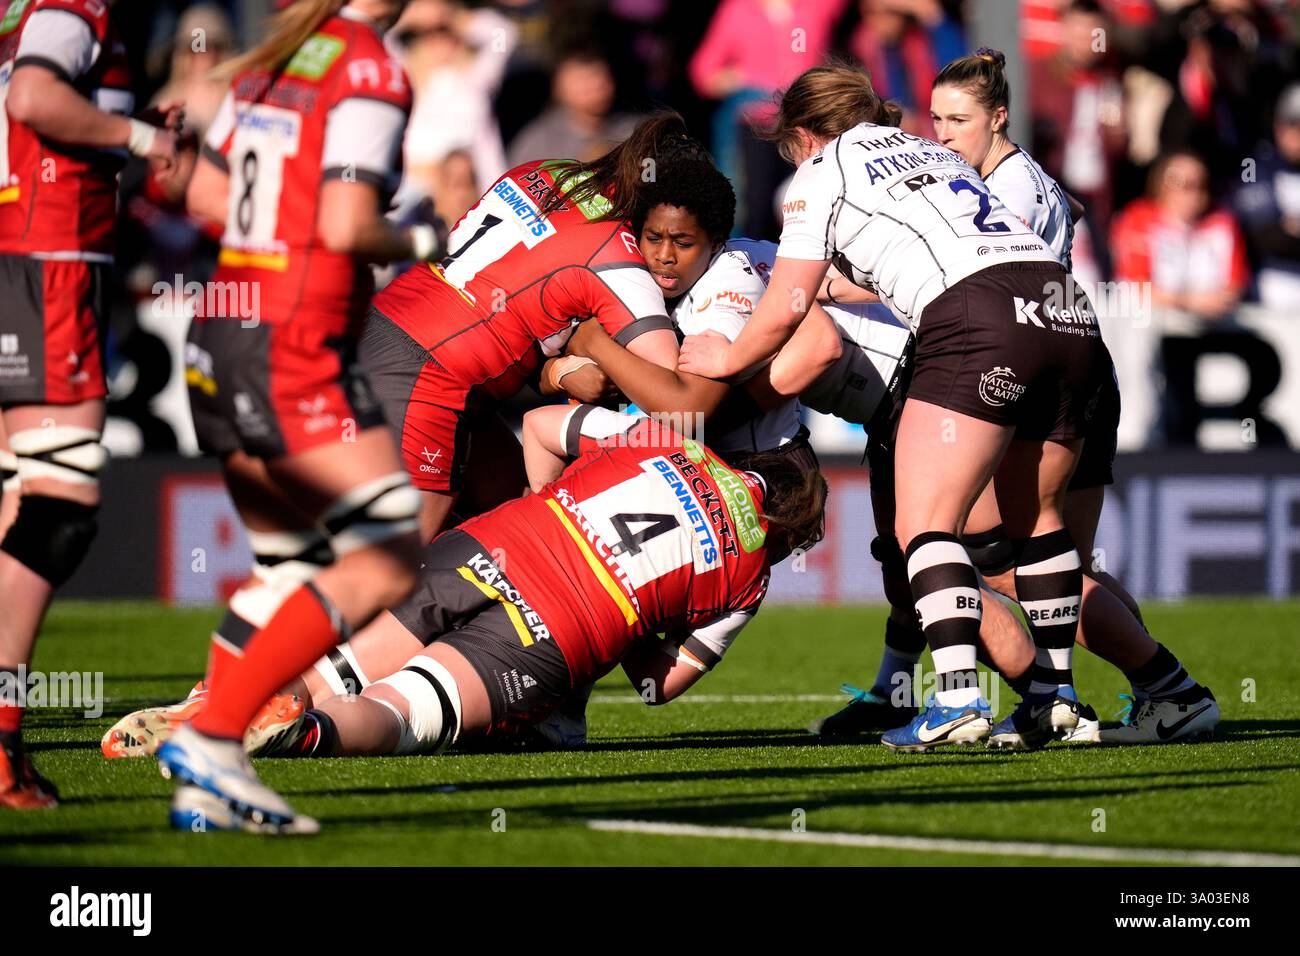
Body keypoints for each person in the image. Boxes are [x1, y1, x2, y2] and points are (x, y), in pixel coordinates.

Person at [678, 62, 1111, 752]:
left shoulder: (822, 172)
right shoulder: (937, 152)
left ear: (802, 135)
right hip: (1068, 313)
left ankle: (959, 701)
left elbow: (790, 302)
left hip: (976, 319)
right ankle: (1054, 698)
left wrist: (725, 361)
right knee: (1039, 523)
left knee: (924, 524)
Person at [154, 0, 434, 835]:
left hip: (221, 325)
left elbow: (200, 191)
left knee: (287, 565)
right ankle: (212, 738)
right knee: (384, 558)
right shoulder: (366, 67)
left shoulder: (275, 57)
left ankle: (208, 781)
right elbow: (346, 226)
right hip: (291, 340)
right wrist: (425, 240)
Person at [254, 404, 828, 758]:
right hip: (557, 631)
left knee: (340, 669)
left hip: (495, 544)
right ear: (786, 532)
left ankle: (231, 706)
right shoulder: (750, 578)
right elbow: (659, 686)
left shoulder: (672, 439)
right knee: (398, 712)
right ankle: (307, 737)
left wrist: (542, 500)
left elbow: (539, 425)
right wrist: (642, 610)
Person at [0, 0, 179, 809]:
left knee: (19, 499)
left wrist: (134, 128)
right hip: (50, 266)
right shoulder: (73, 5)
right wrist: (140, 138)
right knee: (58, 506)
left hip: (34, 262)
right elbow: (34, 100)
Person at [360, 112, 692, 542]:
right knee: (383, 579)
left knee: (521, 526)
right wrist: (593, 341)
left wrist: (559, 369)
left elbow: (515, 302)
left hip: (385, 329)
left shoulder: (544, 172)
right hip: (430, 374)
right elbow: (669, 388)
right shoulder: (615, 250)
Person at [505, 50, 639, 167]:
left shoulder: (635, 131)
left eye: (599, 77)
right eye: (582, 80)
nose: (594, 86)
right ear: (559, 88)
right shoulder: (538, 141)